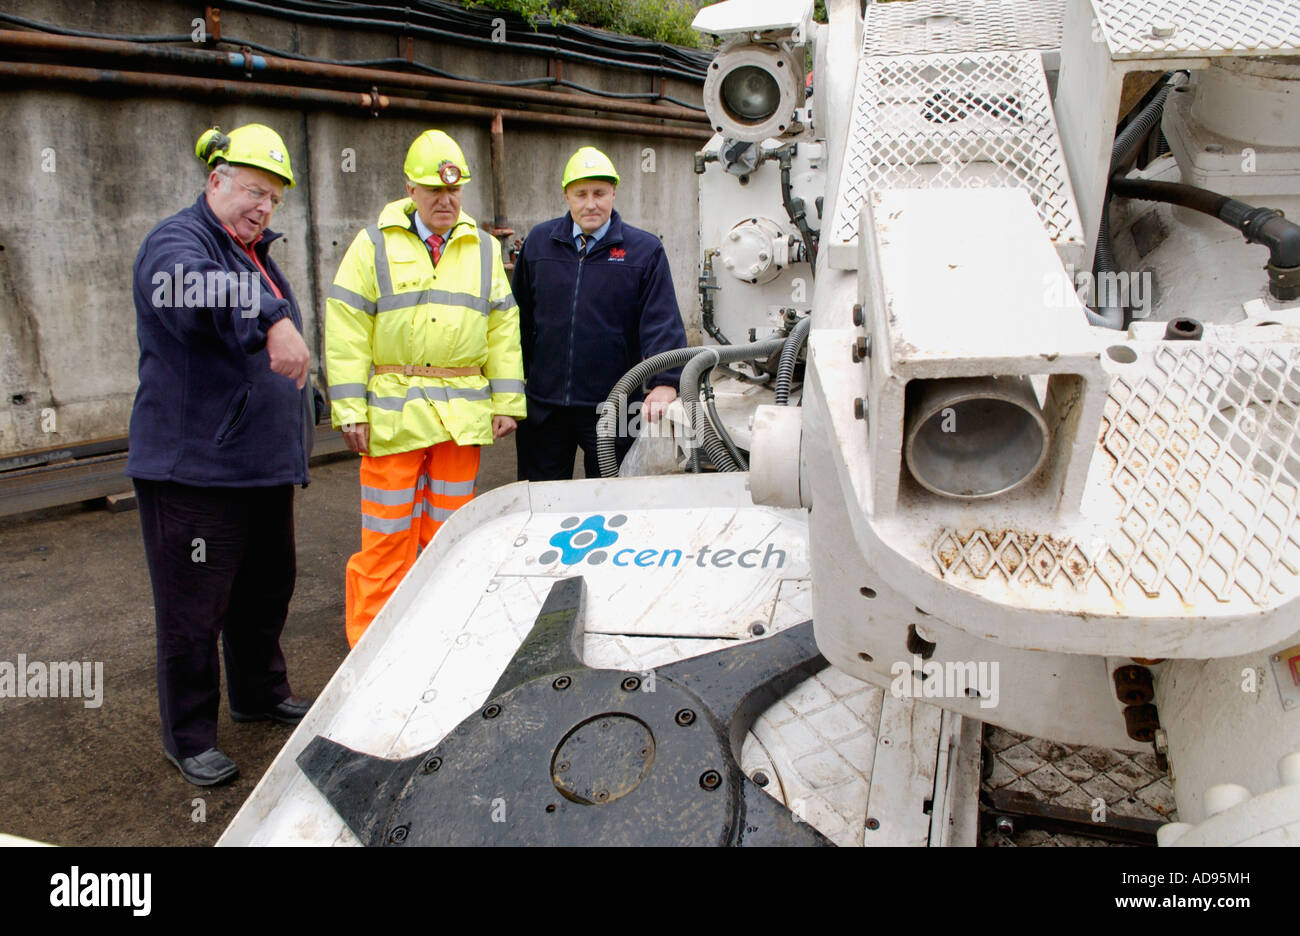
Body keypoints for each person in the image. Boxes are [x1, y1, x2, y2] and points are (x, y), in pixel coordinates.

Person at [128, 123, 315, 787]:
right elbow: (193, 289)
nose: (262, 206)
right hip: (195, 473)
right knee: (192, 611)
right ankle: (189, 736)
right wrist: (273, 318)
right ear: (215, 181)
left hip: (258, 470)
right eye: (252, 190)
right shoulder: (178, 243)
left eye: (273, 197)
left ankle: (260, 694)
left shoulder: (255, 252)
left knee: (265, 591)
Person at [326, 129, 525, 648]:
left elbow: (504, 327)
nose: (446, 200)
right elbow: (346, 327)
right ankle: (370, 649)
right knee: (387, 540)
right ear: (410, 190)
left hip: (459, 421)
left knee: (450, 538)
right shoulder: (372, 246)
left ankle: (440, 640)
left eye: (454, 191)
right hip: (393, 418)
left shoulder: (483, 249)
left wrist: (507, 402)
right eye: (433, 190)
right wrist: (351, 410)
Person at [512, 146, 688, 481]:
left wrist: (666, 382)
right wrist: (509, 388)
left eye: (599, 193)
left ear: (613, 193)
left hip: (615, 405)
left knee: (614, 502)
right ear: (566, 195)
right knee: (541, 501)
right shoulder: (538, 244)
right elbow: (515, 320)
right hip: (544, 405)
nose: (590, 203)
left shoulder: (644, 250)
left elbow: (661, 319)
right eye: (581, 194)